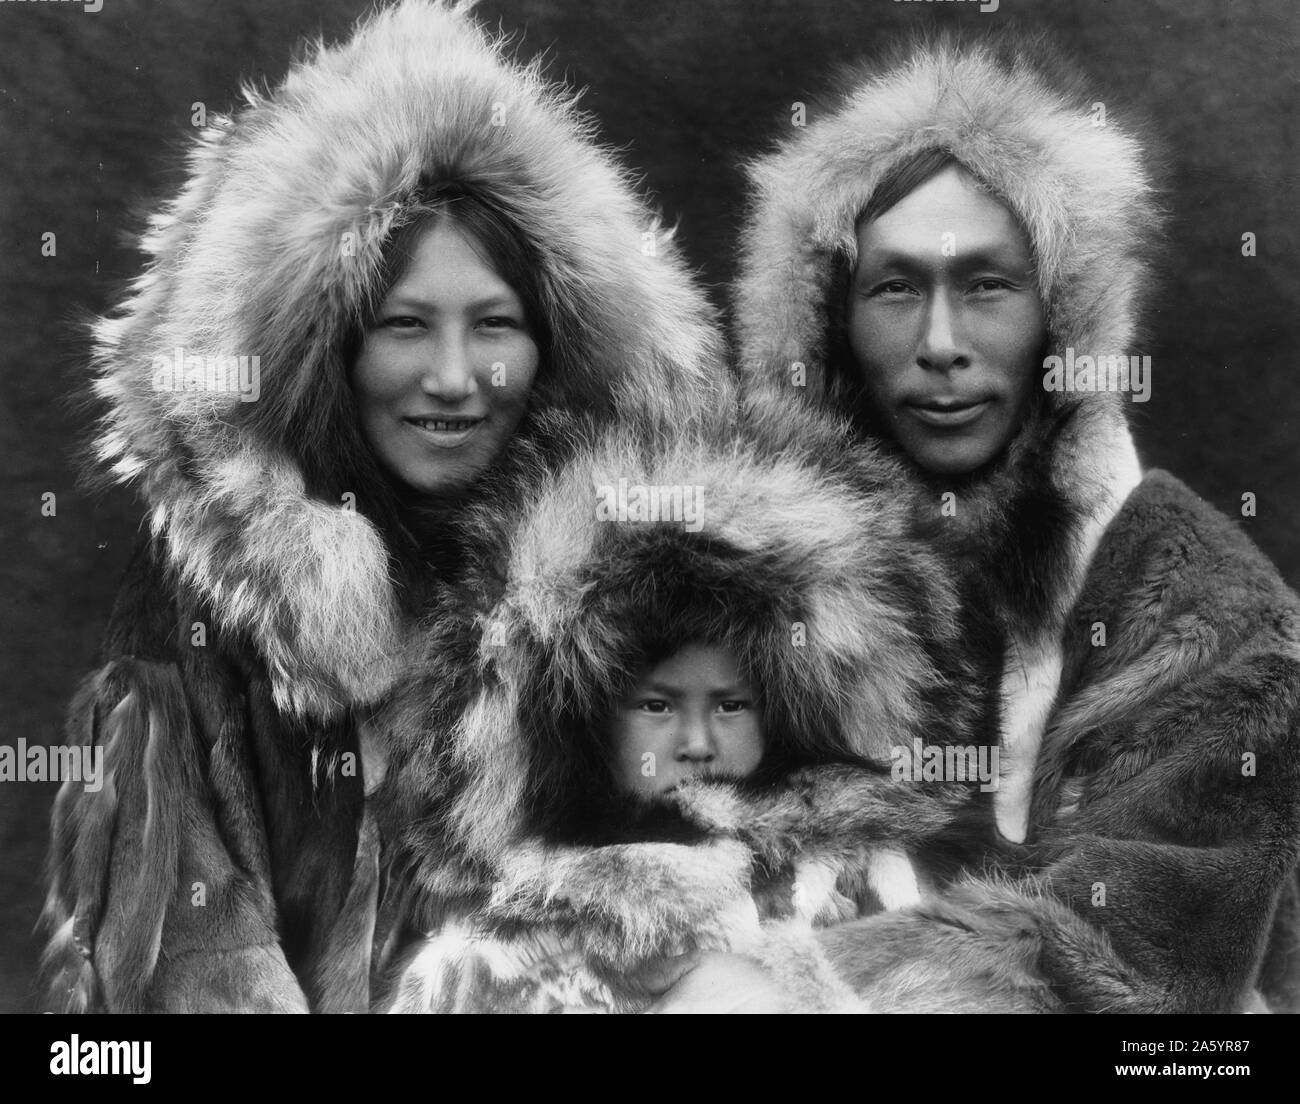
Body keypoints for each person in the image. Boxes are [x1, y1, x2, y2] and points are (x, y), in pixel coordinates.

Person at [40, 0, 724, 1013]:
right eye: (406, 324)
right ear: (335, 352)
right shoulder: (202, 639)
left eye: (493, 324)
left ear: (552, 349)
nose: (452, 377)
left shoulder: (639, 620)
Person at [672, 31, 1300, 1013]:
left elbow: (1143, 953)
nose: (940, 345)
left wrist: (780, 987)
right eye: (893, 289)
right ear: (828, 324)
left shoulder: (1199, 596)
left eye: (986, 286)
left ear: (1061, 319)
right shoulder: (735, 578)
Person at [365, 409, 997, 1013]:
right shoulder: (486, 963)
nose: (697, 741)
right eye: (658, 705)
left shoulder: (867, 896)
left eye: (730, 705)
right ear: (583, 728)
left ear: (785, 715)